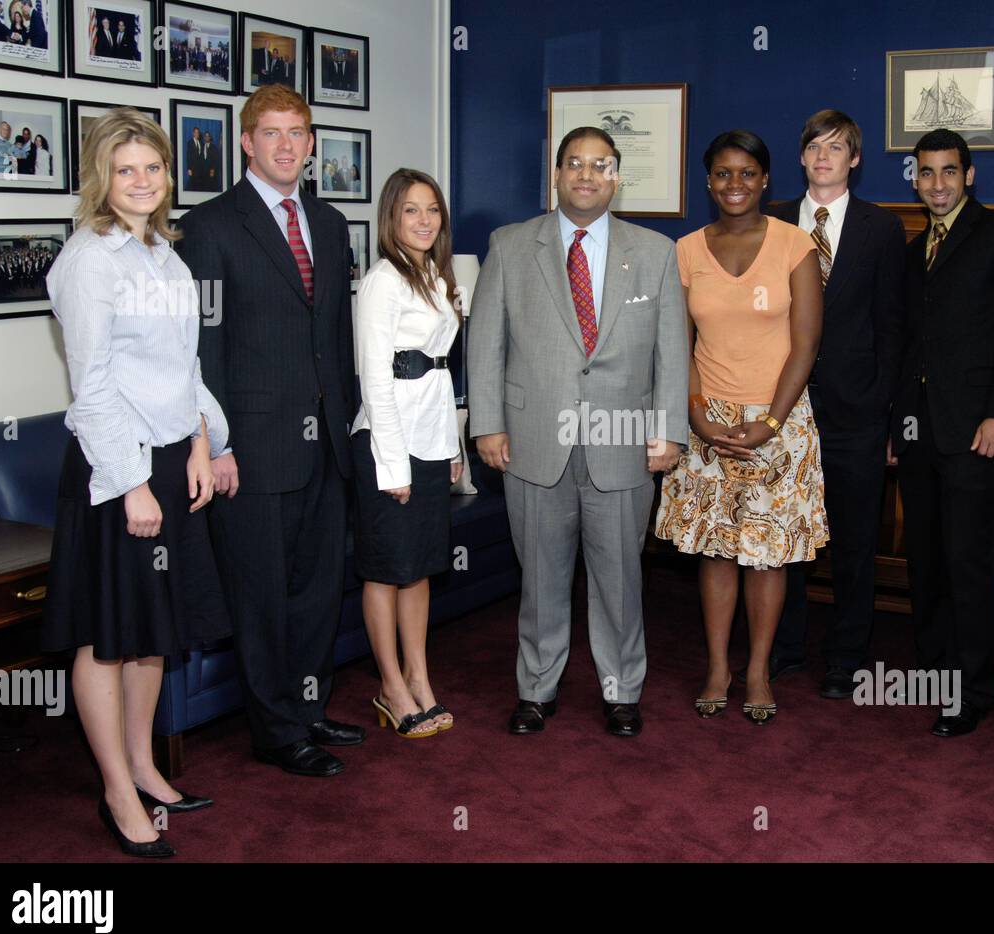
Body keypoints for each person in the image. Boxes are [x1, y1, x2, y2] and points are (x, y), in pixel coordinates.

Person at [42, 107, 228, 858]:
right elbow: (89, 387)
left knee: (154, 631)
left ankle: (148, 766)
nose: (143, 181)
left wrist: (202, 439)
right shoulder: (89, 259)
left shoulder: (167, 257)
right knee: (107, 634)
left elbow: (185, 369)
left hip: (167, 458)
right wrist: (129, 484)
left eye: (153, 167)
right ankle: (116, 789)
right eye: (127, 169)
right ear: (101, 177)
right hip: (112, 467)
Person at [467, 125, 688, 737]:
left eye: (600, 165)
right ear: (556, 174)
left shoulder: (655, 251)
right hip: (533, 442)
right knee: (539, 578)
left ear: (617, 176)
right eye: (574, 164)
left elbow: (674, 350)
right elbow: (485, 343)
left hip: (624, 446)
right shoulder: (510, 246)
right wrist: (486, 423)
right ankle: (536, 688)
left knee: (621, 579)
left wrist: (669, 430)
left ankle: (621, 690)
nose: (586, 175)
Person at [177, 85, 364, 778]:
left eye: (299, 132)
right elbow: (201, 352)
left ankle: (309, 705)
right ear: (246, 142)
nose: (287, 145)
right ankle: (276, 730)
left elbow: (334, 337)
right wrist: (215, 444)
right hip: (251, 449)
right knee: (261, 596)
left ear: (311, 144)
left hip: (327, 446)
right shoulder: (208, 226)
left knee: (318, 590)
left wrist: (349, 423)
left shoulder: (332, 220)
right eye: (272, 133)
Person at [655, 129, 827, 725]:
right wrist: (695, 410)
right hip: (707, 418)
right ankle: (717, 668)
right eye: (723, 174)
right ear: (709, 182)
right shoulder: (684, 251)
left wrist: (772, 420)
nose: (735, 184)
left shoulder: (795, 244)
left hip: (779, 419)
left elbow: (806, 344)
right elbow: (675, 342)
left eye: (747, 173)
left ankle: (757, 670)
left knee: (768, 555)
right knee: (717, 551)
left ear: (764, 180)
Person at [891, 128, 994, 737]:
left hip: (979, 428)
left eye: (949, 171)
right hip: (920, 429)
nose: (938, 184)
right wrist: (896, 426)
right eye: (926, 173)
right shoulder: (913, 247)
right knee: (924, 555)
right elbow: (905, 344)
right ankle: (933, 669)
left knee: (969, 559)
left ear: (969, 175)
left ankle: (972, 689)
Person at [766, 109, 906, 698]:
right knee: (783, 535)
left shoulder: (881, 228)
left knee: (852, 540)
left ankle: (847, 657)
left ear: (854, 159)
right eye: (814, 146)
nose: (824, 156)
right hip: (783, 406)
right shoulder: (770, 223)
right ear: (801, 157)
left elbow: (895, 327)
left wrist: (891, 415)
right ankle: (784, 645)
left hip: (858, 413)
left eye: (837, 147)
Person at [352, 169, 462, 739]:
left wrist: (451, 449)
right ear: (391, 218)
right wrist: (392, 464)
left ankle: (420, 678)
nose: (424, 220)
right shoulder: (382, 281)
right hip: (384, 442)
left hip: (429, 436)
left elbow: (442, 373)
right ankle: (391, 686)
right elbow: (374, 377)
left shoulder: (435, 278)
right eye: (411, 210)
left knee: (418, 569)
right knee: (387, 568)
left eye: (433, 210)